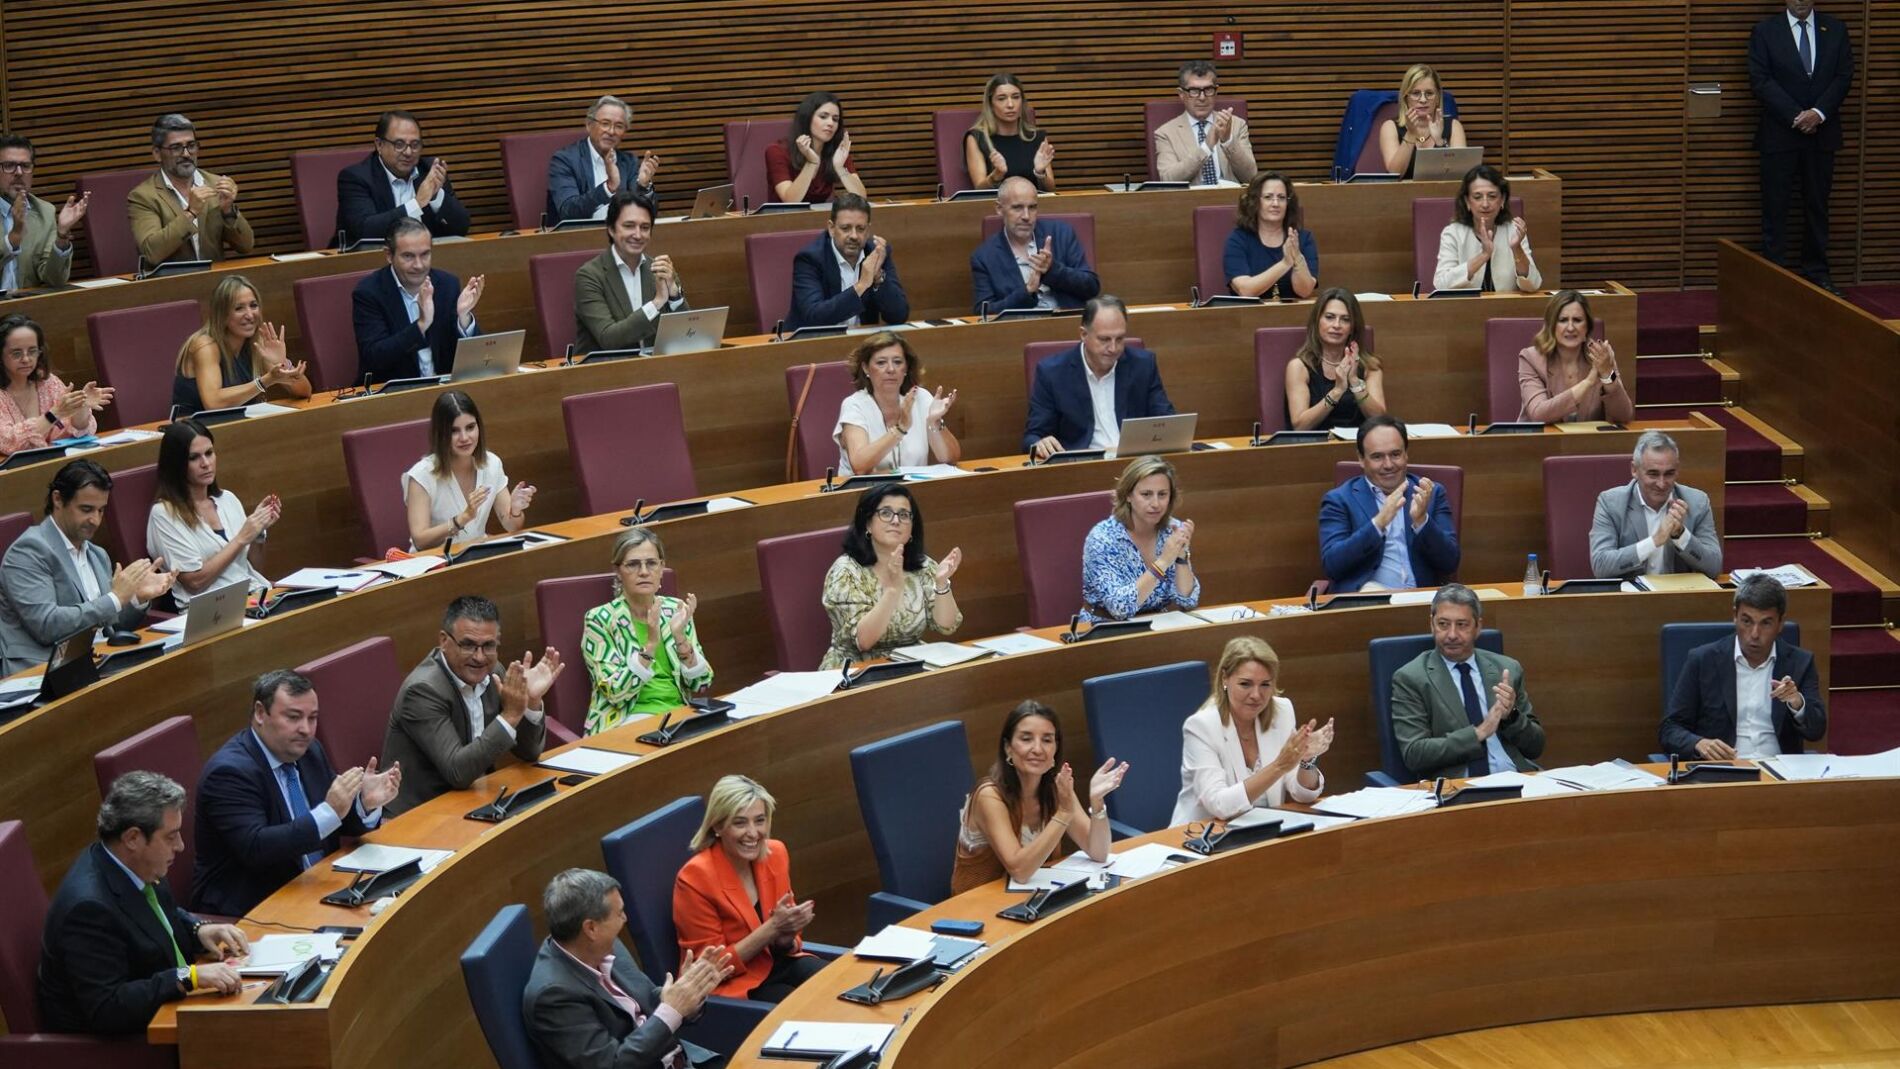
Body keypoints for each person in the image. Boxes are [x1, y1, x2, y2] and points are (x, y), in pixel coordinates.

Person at [37, 771, 250, 1035]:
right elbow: (108, 1008)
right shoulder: (89, 909)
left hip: (168, 1012)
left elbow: (157, 915)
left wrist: (197, 930)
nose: (181, 846)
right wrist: (189, 977)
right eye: (171, 837)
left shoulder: (134, 864)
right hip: (125, 1048)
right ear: (133, 838)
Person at [192, 669, 402, 917]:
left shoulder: (309, 751)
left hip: (317, 887)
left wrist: (363, 803)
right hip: (253, 909)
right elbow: (257, 848)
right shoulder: (229, 773)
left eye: (312, 718)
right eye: (293, 717)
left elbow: (334, 821)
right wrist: (331, 810)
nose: (306, 729)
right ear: (260, 713)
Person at [524, 868, 730, 1069]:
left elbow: (648, 1000)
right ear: (591, 928)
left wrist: (689, 991)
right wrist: (672, 1009)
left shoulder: (603, 946)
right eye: (620, 913)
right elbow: (612, 1064)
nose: (625, 919)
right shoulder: (554, 995)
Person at [379, 595, 561, 815]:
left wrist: (529, 702)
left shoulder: (494, 672)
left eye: (488, 646)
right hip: (418, 815)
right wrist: (511, 714)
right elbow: (458, 772)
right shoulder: (422, 691)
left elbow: (530, 752)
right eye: (468, 645)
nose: (479, 657)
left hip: (473, 801)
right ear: (444, 641)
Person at [0, 459, 172, 675]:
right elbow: (47, 625)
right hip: (41, 672)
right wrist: (115, 598)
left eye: (101, 510)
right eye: (86, 509)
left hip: (97, 662)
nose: (95, 520)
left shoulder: (97, 555)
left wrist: (136, 598)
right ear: (58, 499)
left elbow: (111, 625)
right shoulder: (29, 551)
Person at [673, 775, 821, 1003]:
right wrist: (773, 928)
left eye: (760, 820)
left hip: (780, 963)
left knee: (840, 989)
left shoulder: (775, 853)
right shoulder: (695, 878)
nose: (753, 833)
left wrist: (786, 936)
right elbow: (708, 970)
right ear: (718, 826)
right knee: (808, 1009)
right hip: (734, 985)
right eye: (740, 823)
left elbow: (787, 943)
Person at [951, 701, 1125, 893]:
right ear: (1008, 748)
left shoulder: (1055, 787)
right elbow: (1020, 870)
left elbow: (1099, 853)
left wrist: (1097, 803)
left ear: (1055, 749)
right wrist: (1064, 813)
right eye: (1026, 739)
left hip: (1032, 900)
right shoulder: (990, 796)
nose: (1038, 749)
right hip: (978, 908)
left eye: (1047, 740)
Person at [1660, 574, 1827, 760]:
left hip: (1779, 773)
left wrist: (1797, 703)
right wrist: (1698, 743)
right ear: (1735, 617)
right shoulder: (1702, 660)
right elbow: (1670, 729)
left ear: (1780, 623)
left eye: (1766, 623)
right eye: (1747, 621)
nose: (1754, 634)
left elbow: (1816, 731)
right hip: (1723, 771)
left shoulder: (1799, 662)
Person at [1171, 636, 1334, 824]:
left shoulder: (1281, 711)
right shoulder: (1201, 727)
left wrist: (1307, 760)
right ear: (1225, 679)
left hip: (1263, 833)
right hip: (1202, 839)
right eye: (1245, 684)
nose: (1256, 695)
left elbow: (1302, 795)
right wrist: (1279, 765)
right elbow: (1219, 805)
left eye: (1265, 684)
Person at [1390, 584, 1544, 781]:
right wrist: (1478, 733)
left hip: (1516, 779)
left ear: (1478, 627)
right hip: (1457, 788)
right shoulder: (1411, 678)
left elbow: (1536, 747)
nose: (1452, 634)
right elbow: (1414, 754)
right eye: (1443, 624)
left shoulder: (1506, 669)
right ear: (1432, 624)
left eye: (1462, 625)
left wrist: (1512, 716)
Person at [1749, 1, 1855, 289]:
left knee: (1817, 207)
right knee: (1775, 208)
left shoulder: (1835, 29)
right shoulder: (1765, 31)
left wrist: (1818, 113)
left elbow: (1843, 76)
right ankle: (1775, 277)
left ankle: (1817, 274)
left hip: (1822, 133)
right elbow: (1760, 79)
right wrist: (1796, 115)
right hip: (1779, 133)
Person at [580, 528, 712, 734]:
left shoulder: (675, 610)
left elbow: (701, 683)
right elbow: (614, 692)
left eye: (651, 563)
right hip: (628, 720)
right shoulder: (599, 619)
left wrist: (680, 639)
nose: (643, 572)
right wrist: (650, 646)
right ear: (617, 571)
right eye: (633, 564)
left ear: (662, 567)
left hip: (681, 714)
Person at [818, 483, 962, 670]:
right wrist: (893, 591)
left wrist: (942, 584)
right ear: (868, 523)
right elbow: (863, 641)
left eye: (903, 515)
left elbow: (947, 625)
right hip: (856, 670)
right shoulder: (845, 572)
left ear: (912, 528)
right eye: (886, 513)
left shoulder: (923, 566)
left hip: (911, 664)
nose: (896, 521)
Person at [1317, 415, 1459, 593]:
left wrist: (1422, 521)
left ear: (1406, 454)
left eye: (1395, 454)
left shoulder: (1430, 493)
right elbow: (1333, 565)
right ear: (1361, 459)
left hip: (1421, 601)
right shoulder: (1339, 500)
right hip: (1369, 602)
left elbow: (1449, 563)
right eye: (1377, 457)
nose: (1388, 464)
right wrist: (1378, 523)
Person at [1022, 295, 1173, 460]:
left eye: (1120, 339)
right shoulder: (1052, 372)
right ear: (1083, 334)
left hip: (1136, 464)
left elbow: (1167, 421)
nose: (1113, 348)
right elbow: (1033, 436)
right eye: (1104, 339)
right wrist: (1040, 443)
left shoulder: (1143, 365)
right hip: (1081, 465)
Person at [146, 420, 277, 606]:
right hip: (211, 610)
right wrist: (242, 538)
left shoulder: (228, 499)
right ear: (176, 464)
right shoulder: (164, 514)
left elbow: (252, 568)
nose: (206, 463)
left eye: (209, 453)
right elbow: (195, 582)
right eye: (194, 457)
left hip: (254, 596)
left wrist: (257, 533)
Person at [352, 216, 485, 382]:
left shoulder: (447, 284)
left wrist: (463, 318)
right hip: (394, 393)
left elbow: (471, 358)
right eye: (408, 256)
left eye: (425, 255)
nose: (419, 265)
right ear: (388, 255)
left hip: (444, 389)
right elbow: (375, 356)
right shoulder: (369, 292)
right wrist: (421, 325)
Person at [404, 390, 534, 552]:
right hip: (435, 564)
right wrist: (463, 518)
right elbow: (420, 540)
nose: (464, 437)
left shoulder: (492, 463)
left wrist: (515, 510)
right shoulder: (421, 475)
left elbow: (512, 526)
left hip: (476, 555)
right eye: (454, 431)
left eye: (470, 427)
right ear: (441, 434)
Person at [1080, 455, 1200, 622]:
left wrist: (1181, 557)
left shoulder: (1172, 530)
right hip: (1105, 628)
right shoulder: (1103, 538)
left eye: (1162, 494)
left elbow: (1187, 601)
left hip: (1157, 625)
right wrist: (1164, 561)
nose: (1156, 503)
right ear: (1128, 495)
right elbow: (1120, 608)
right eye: (1146, 494)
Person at [1589, 430, 1722, 580]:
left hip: (1679, 597)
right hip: (1629, 599)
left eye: (1669, 474)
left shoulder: (1697, 502)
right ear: (1634, 470)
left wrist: (1680, 535)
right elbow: (1601, 566)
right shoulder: (1610, 503)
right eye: (1653, 474)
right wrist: (1653, 541)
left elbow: (1714, 566)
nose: (1661, 483)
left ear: (1677, 470)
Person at [172, 274, 311, 415]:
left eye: (253, 305)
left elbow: (304, 391)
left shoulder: (257, 344)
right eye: (239, 308)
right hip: (194, 431)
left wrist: (283, 364)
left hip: (237, 426)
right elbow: (213, 403)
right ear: (222, 314)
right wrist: (265, 381)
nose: (250, 315)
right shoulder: (205, 345)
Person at [126, 113, 253, 267]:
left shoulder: (215, 184)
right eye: (176, 147)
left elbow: (246, 246)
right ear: (157, 154)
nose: (186, 154)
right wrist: (191, 213)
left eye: (191, 146)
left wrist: (228, 211)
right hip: (171, 285)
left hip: (215, 282)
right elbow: (151, 253)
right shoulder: (143, 196)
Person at [572, 189, 687, 354]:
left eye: (645, 227)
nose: (638, 235)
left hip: (656, 366)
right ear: (611, 229)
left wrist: (675, 296)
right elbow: (608, 338)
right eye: (629, 226)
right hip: (607, 370)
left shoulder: (660, 269)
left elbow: (687, 332)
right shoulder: (588, 276)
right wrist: (657, 303)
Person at [335, 109, 471, 246]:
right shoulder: (355, 178)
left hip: (424, 260)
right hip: (368, 262)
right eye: (399, 144)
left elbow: (461, 229)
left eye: (415, 145)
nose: (408, 152)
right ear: (379, 145)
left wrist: (437, 197)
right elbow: (364, 231)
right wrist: (417, 204)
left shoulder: (430, 172)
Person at [833, 330, 959, 476]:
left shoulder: (920, 398)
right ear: (866, 368)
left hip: (912, 492)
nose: (891, 369)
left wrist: (934, 421)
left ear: (906, 368)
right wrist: (900, 429)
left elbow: (950, 458)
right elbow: (860, 467)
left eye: (898, 362)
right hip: (865, 493)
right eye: (881, 363)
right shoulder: (854, 405)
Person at [970, 176, 1098, 315]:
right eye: (1017, 207)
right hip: (1019, 330)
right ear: (999, 209)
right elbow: (983, 313)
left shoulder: (1061, 234)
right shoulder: (984, 257)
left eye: (1032, 207)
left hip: (1068, 324)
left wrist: (1053, 270)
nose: (1026, 216)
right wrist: (1026, 292)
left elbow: (1092, 288)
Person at [786, 193, 908, 331]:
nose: (854, 236)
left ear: (868, 230)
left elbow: (899, 315)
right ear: (831, 228)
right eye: (846, 228)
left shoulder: (877, 254)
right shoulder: (810, 259)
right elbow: (815, 317)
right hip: (812, 344)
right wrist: (861, 285)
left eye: (860, 229)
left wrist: (878, 278)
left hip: (863, 344)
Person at [0, 313, 110, 456]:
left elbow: (70, 434)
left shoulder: (48, 382)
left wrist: (81, 408)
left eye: (32, 351)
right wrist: (55, 413)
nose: (26, 359)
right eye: (16, 353)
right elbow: (9, 443)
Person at [1516, 289, 1633, 423]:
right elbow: (1538, 415)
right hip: (1542, 441)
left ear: (1587, 327)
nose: (1570, 328)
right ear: (1552, 325)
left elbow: (1624, 416)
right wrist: (1588, 383)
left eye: (1577, 320)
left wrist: (1608, 375)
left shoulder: (1601, 356)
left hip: (1588, 442)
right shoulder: (1532, 359)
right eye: (1563, 320)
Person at [547, 95, 659, 225]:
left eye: (619, 126)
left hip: (621, 238)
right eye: (605, 124)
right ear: (589, 125)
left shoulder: (629, 162)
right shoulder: (564, 160)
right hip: (578, 239)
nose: (611, 131)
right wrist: (608, 188)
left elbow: (646, 215)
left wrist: (643, 187)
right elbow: (568, 212)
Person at [1285, 288, 1385, 430]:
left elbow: (1380, 421)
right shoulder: (1299, 367)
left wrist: (1355, 383)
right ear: (1317, 321)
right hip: (1314, 446)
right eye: (1330, 317)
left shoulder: (1370, 366)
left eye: (1345, 319)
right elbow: (1300, 425)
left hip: (1359, 445)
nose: (1336, 325)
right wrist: (1337, 391)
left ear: (1352, 327)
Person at [1433, 164, 1541, 293]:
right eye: (1477, 197)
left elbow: (1533, 285)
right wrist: (1483, 256)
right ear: (1467, 201)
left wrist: (1517, 249)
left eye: (1492, 196)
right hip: (1464, 310)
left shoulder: (1514, 231)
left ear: (1502, 200)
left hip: (1507, 309)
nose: (1485, 204)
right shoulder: (1453, 233)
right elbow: (1441, 284)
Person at [0, 133, 86, 290]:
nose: (19, 172)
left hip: (26, 308)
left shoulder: (44, 212)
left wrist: (61, 237)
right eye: (9, 165)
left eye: (25, 166)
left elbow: (54, 280)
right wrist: (13, 238)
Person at [1153, 61, 1257, 187]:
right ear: (1181, 94)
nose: (1202, 97)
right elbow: (1168, 180)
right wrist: (1206, 147)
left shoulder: (1236, 124)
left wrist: (1228, 141)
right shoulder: (1165, 133)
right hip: (1188, 202)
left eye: (1208, 90)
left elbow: (1251, 177)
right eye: (1194, 91)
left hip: (1230, 201)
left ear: (1216, 92)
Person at [1223, 171, 1317, 300]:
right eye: (1268, 197)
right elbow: (1245, 290)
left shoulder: (1303, 238)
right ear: (1255, 202)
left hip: (1294, 316)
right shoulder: (1238, 239)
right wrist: (1285, 264)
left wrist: (1297, 259)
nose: (1275, 204)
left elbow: (1305, 291)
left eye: (1281, 197)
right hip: (1249, 316)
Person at [764, 90, 867, 204]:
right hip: (783, 218)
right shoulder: (777, 151)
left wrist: (840, 167)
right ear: (807, 118)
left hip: (820, 219)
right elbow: (790, 201)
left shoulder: (837, 151)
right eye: (823, 116)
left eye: (835, 119)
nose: (830, 123)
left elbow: (861, 198)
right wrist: (812, 163)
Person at [964, 74, 1056, 191]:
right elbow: (979, 190)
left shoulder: (1036, 137)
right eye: (1001, 99)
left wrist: (1039, 173)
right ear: (990, 104)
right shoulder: (977, 138)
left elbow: (1051, 190)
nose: (1010, 105)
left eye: (1016, 97)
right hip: (995, 207)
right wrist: (995, 176)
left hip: (1034, 207)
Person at [1378, 64, 1468, 178]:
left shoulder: (1454, 126)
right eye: (1416, 93)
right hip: (1401, 194)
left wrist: (1439, 141)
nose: (1423, 100)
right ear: (1406, 98)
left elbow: (1459, 175)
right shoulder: (1390, 127)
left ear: (1437, 98)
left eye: (1429, 93)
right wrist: (1410, 134)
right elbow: (1395, 174)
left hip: (1443, 194)